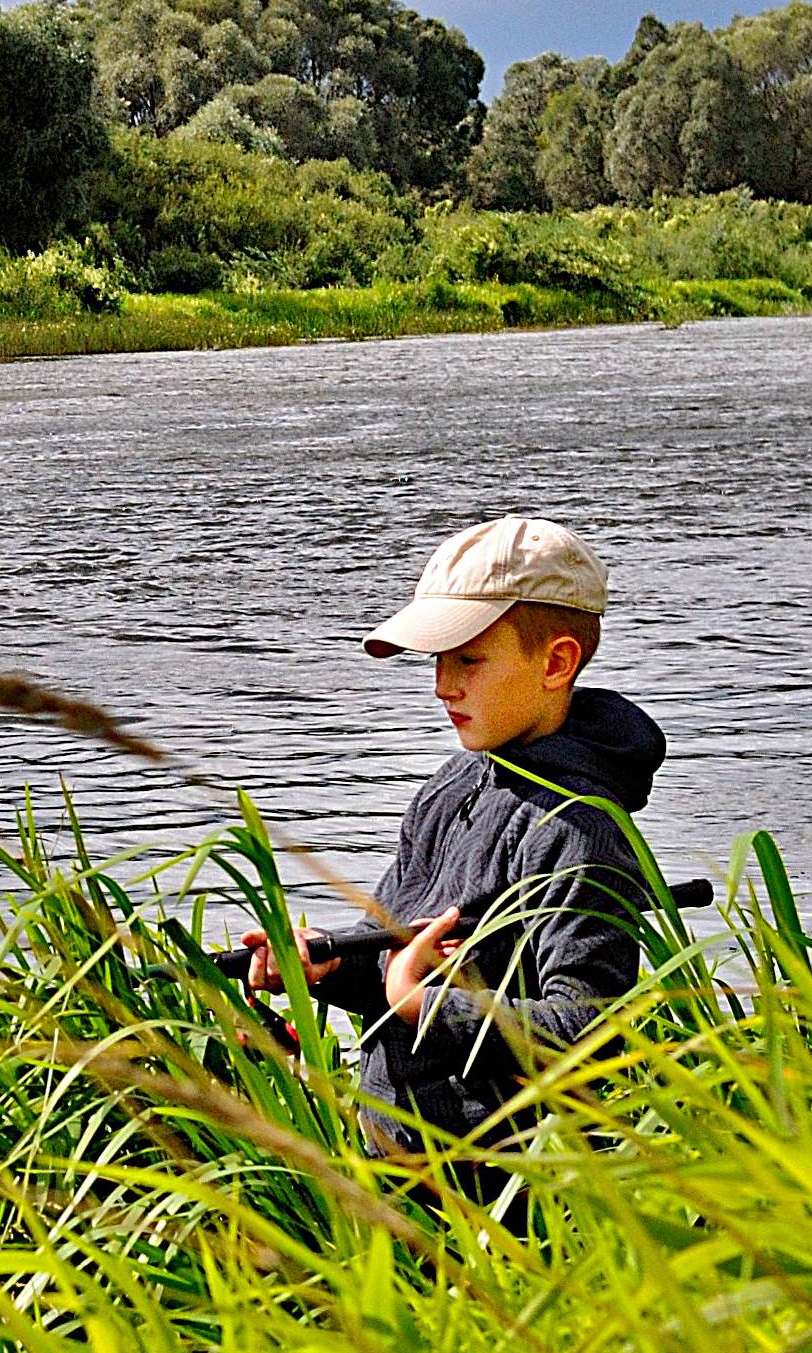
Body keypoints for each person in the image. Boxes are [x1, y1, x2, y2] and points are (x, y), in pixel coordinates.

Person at [243, 514, 666, 1202]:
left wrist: (425, 1006)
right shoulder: (453, 785)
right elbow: (401, 960)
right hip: (396, 1162)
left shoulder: (579, 828)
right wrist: (325, 967)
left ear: (557, 663)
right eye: (438, 661)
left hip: (501, 1195)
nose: (444, 686)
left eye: (468, 660)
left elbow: (591, 1031)